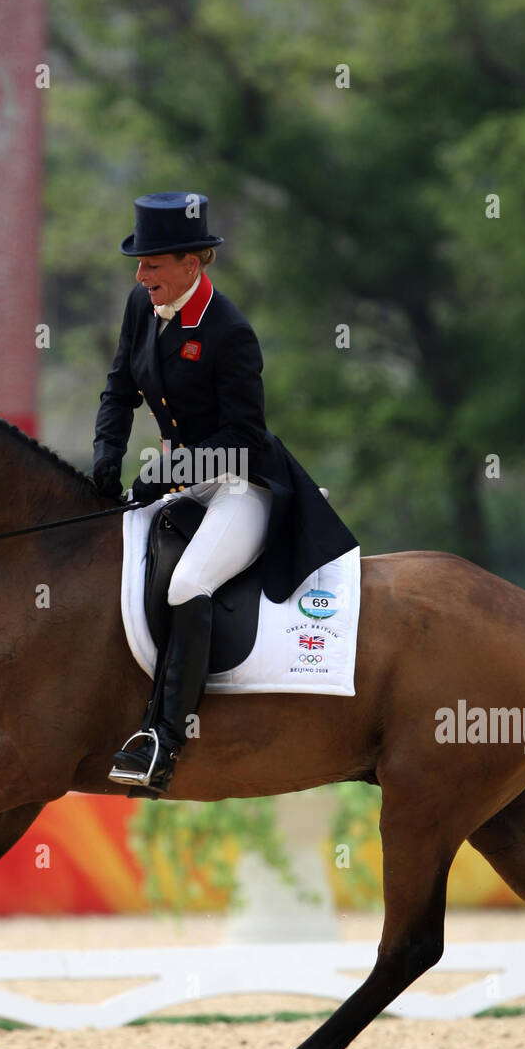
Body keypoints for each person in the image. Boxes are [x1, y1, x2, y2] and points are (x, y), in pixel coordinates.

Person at [93, 191, 357, 794]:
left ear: (195, 262)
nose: (141, 275)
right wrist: (107, 455)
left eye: (153, 263)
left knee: (189, 583)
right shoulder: (143, 305)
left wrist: (163, 472)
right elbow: (118, 389)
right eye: (139, 263)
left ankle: (164, 738)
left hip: (243, 483)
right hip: (184, 477)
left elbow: (241, 439)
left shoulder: (230, 332)